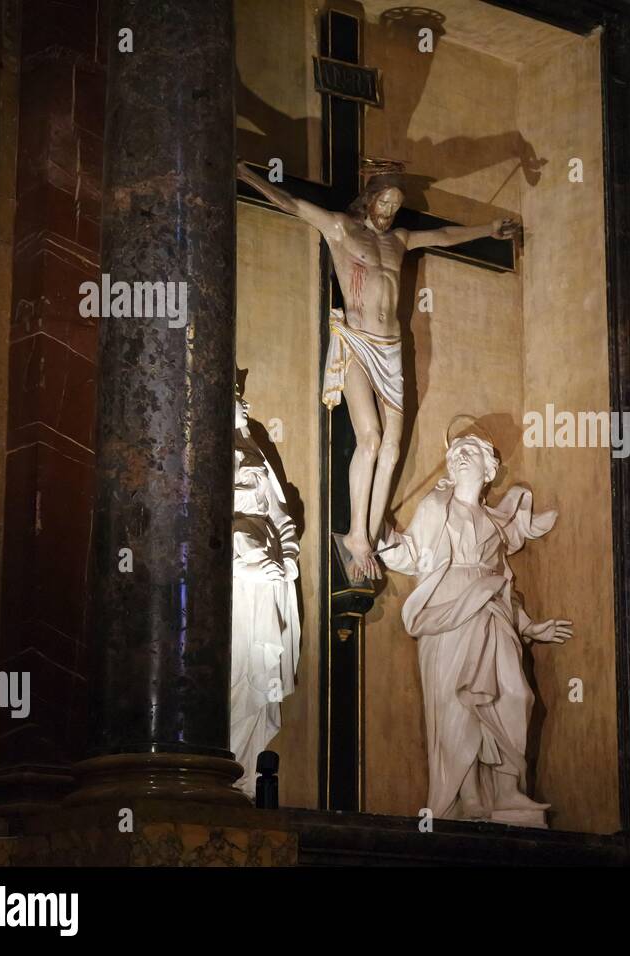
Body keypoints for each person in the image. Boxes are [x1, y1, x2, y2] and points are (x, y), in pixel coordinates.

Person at [236, 159, 520, 583]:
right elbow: (292, 203)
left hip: (391, 348)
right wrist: (248, 177)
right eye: (384, 201)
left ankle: (368, 533)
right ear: (370, 199)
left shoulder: (400, 239)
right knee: (370, 438)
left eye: (396, 204)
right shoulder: (340, 229)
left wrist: (485, 229)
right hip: (357, 342)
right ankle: (356, 535)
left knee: (393, 447)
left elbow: (442, 235)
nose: (389, 211)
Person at [381, 434, 572, 825]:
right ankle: (467, 797)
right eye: (457, 454)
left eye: (472, 453)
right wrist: (375, 534)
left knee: (515, 696)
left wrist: (529, 626)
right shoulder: (436, 507)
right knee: (456, 707)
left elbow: (505, 582)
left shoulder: (495, 525)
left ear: (489, 470)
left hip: (492, 612)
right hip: (446, 613)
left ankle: (508, 791)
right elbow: (413, 553)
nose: (462, 457)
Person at [230, 391, 301, 798]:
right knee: (237, 668)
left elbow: (281, 515)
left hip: (270, 573)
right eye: (237, 398)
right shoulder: (203, 450)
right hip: (238, 575)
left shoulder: (254, 450)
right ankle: (224, 769)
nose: (246, 405)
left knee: (262, 667)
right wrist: (249, 563)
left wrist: (287, 556)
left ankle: (244, 773)